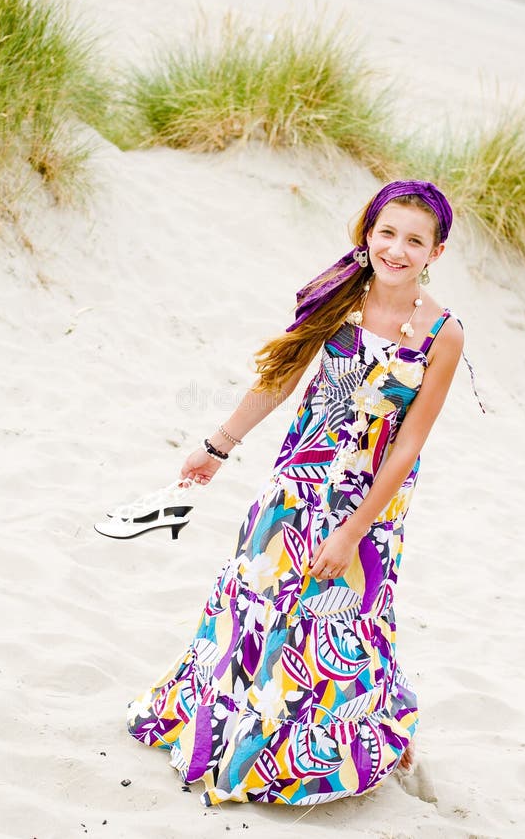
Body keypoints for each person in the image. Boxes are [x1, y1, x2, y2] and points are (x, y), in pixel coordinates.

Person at [127, 180, 466, 807]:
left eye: (414, 240)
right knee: (256, 601)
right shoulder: (339, 299)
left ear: (434, 253)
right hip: (296, 484)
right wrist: (219, 445)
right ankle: (231, 729)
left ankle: (345, 740)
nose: (396, 249)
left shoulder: (443, 334)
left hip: (369, 505)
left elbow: (409, 445)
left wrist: (353, 530)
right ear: (368, 233)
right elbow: (278, 379)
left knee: (344, 620)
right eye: (387, 232)